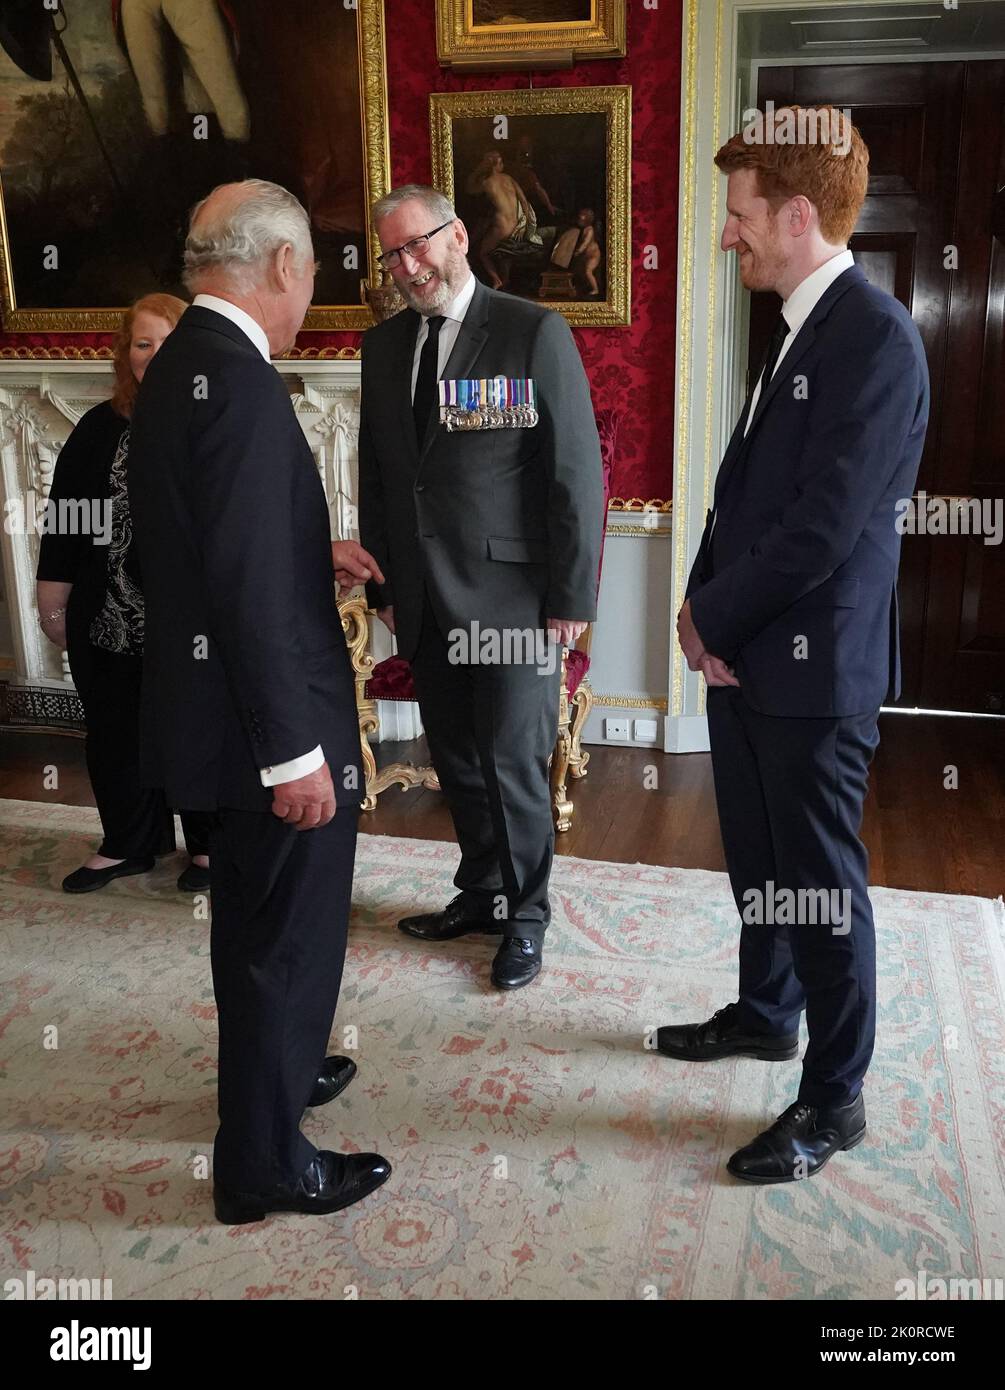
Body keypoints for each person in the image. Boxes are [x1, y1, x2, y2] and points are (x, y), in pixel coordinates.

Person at [660, 107, 930, 1183]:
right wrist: (698, 604)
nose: (729, 235)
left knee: (819, 888)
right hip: (749, 659)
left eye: (739, 215)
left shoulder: (874, 337)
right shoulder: (797, 324)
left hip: (814, 673)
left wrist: (710, 619)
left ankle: (834, 1096)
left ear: (799, 214)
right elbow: (742, 505)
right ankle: (767, 1014)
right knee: (762, 865)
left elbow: (820, 529)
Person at [128, 179, 391, 1222]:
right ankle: (268, 1162)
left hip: (209, 713)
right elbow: (233, 579)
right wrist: (295, 756)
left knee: (251, 930)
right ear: (283, 264)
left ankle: (268, 1092)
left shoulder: (186, 363)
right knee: (286, 940)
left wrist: (301, 548)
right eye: (315, 269)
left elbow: (199, 549)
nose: (313, 288)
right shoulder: (234, 382)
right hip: (263, 733)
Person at [358, 184, 604, 991]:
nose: (407, 264)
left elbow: (573, 475)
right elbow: (382, 476)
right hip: (423, 599)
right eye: (391, 253)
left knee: (510, 765)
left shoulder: (532, 332)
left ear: (457, 235)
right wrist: (385, 584)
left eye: (418, 244)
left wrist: (570, 600)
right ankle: (483, 892)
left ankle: (526, 918)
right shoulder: (385, 346)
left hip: (513, 604)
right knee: (458, 763)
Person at [36, 294, 213, 894]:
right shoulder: (97, 428)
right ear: (124, 354)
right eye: (142, 343)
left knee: (193, 728)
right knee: (113, 731)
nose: (154, 355)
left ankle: (210, 848)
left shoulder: (213, 420)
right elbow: (67, 522)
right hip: (105, 615)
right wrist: (51, 600)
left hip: (191, 622)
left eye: (167, 341)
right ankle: (129, 844)